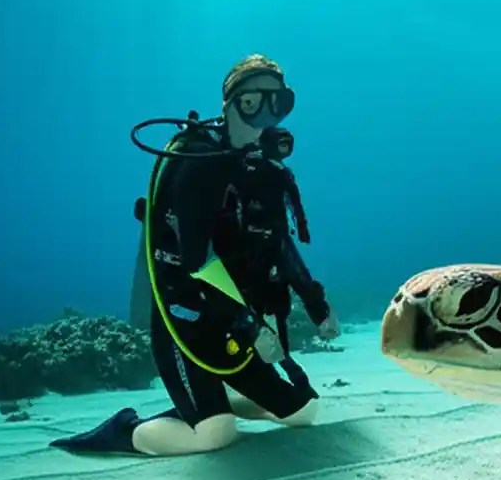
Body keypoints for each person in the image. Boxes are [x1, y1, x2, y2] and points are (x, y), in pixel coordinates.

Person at [52, 54, 338, 457]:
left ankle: (202, 406)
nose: (266, 115)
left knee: (303, 411)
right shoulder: (196, 164)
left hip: (234, 326)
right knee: (216, 437)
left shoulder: (263, 171)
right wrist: (252, 328)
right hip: (187, 325)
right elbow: (197, 263)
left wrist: (315, 303)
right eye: (257, 101)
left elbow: (277, 241)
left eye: (279, 102)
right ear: (234, 102)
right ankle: (124, 430)